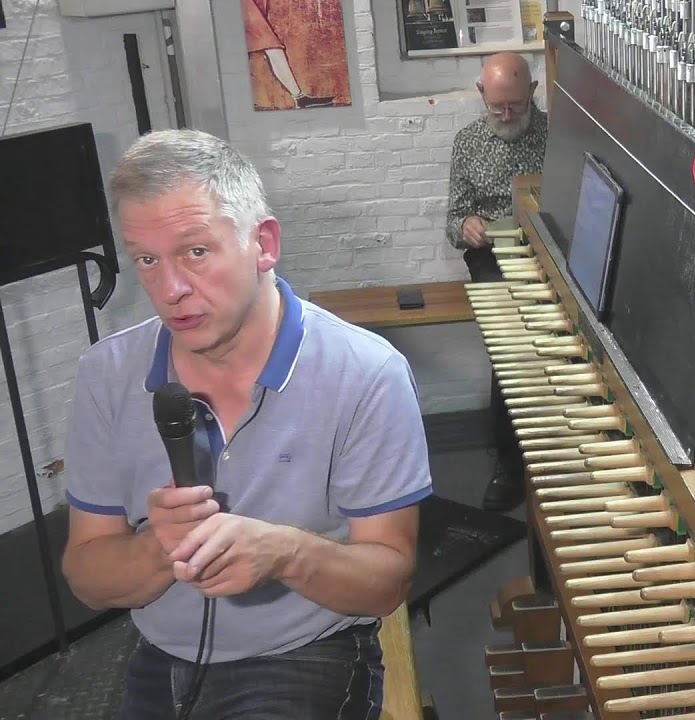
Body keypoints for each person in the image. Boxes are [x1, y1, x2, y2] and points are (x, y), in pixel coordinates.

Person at [60, 129, 432, 719]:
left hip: (307, 652)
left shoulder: (367, 374)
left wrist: (286, 554)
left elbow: (387, 581)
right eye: (148, 260)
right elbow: (87, 575)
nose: (171, 289)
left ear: (263, 243)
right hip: (162, 654)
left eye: (196, 252)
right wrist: (160, 548)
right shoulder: (106, 376)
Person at [446, 51, 548, 512]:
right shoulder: (467, 143)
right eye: (496, 107)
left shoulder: (560, 138)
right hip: (492, 259)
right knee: (511, 353)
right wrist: (466, 225)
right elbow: (453, 220)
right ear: (481, 93)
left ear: (533, 92)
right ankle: (510, 464)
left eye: (517, 106)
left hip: (550, 253)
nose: (507, 116)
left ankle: (560, 461)